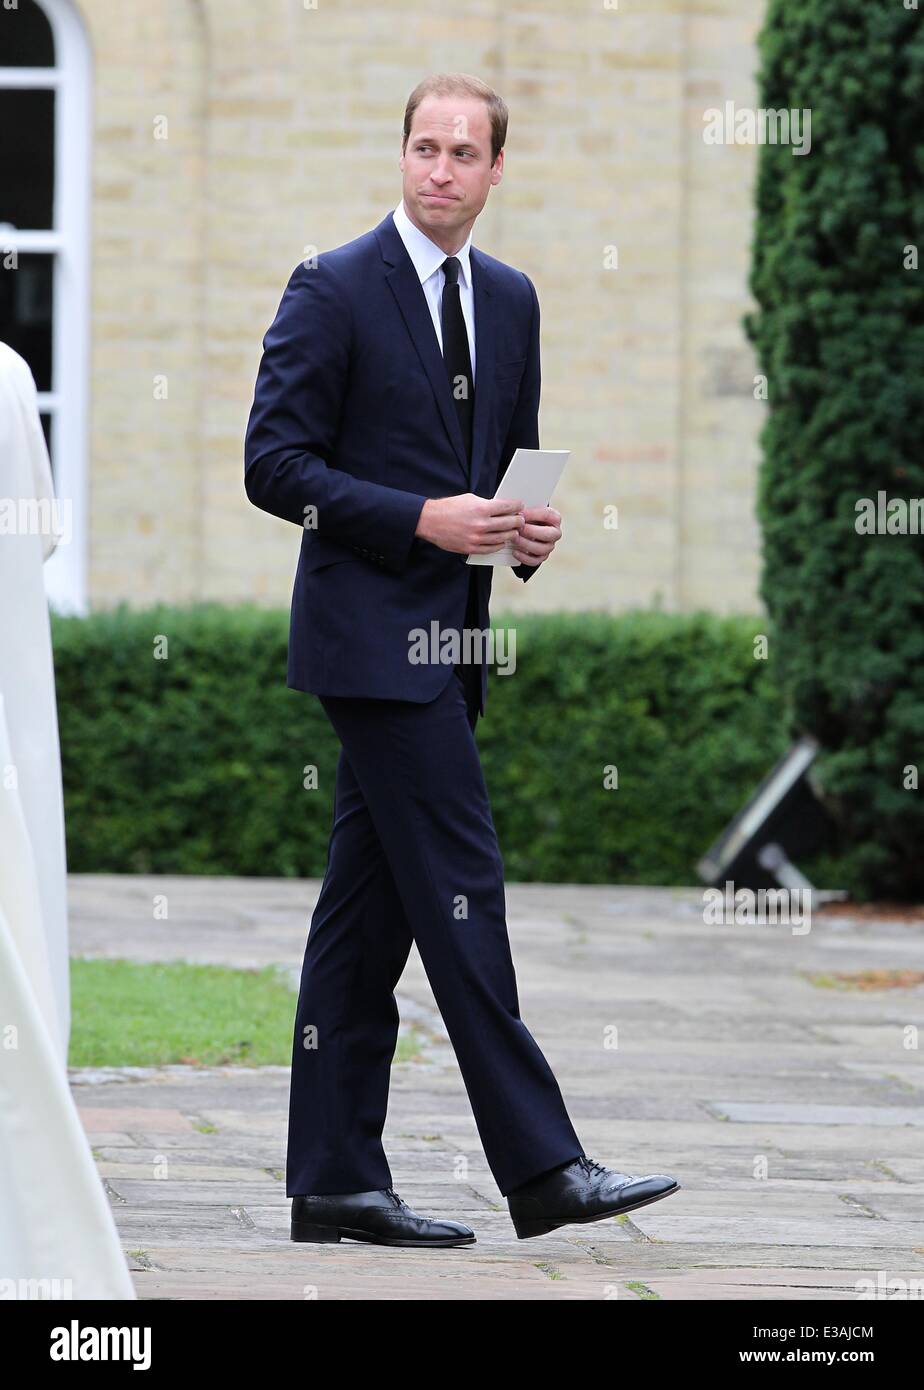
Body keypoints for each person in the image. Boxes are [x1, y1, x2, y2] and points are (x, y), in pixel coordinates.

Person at [244, 72, 679, 1245]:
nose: (439, 169)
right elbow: (273, 467)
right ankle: (542, 1167)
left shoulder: (514, 298)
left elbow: (515, 465)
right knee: (463, 888)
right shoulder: (330, 287)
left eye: (462, 152)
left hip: (453, 642)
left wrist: (527, 531)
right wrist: (417, 517)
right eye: (422, 148)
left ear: (496, 172)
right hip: (366, 644)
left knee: (365, 920)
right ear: (402, 159)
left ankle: (334, 1180)